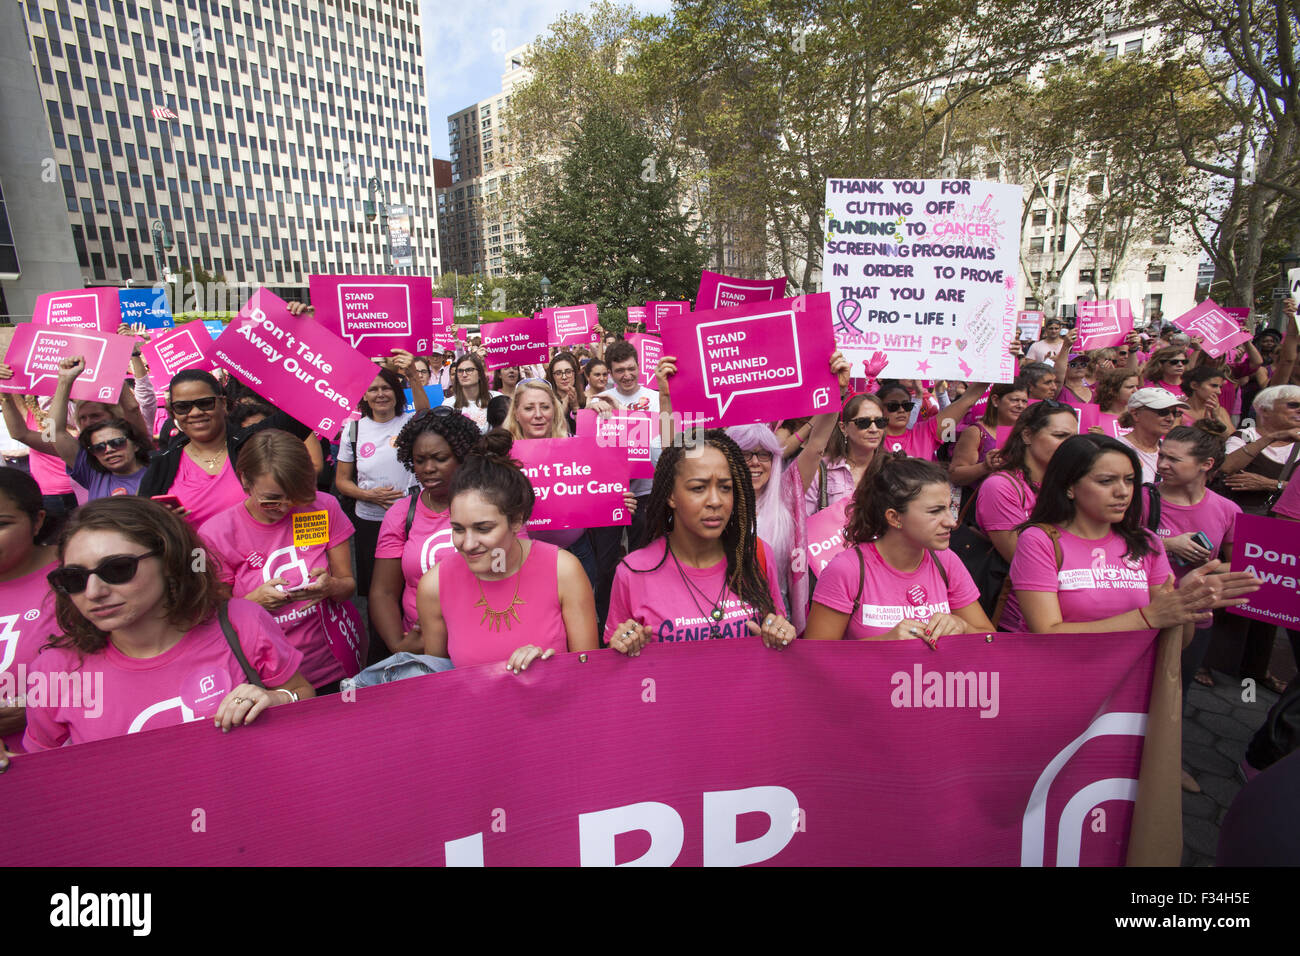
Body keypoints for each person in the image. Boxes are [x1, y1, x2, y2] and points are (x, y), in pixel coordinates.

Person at [17, 498, 314, 754]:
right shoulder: (54, 669)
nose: (94, 592)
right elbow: (40, 771)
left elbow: (302, 693)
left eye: (117, 569)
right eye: (74, 578)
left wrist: (277, 699)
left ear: (170, 561)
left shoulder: (241, 622)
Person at [1008, 435, 1257, 634]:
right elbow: (1046, 631)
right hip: (1059, 684)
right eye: (1106, 481)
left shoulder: (1147, 542)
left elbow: (1176, 644)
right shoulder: (1039, 540)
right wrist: (1146, 618)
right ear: (1069, 487)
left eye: (1129, 480)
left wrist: (1187, 600)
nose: (1123, 492)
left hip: (1133, 685)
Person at [417, 431, 599, 673]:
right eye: (458, 529)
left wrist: (552, 671)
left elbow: (590, 673)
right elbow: (439, 684)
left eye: (483, 528)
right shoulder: (434, 587)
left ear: (516, 521)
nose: (468, 543)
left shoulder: (563, 571)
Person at [603, 430, 797, 653]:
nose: (715, 501)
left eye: (725, 487)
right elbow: (616, 666)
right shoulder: (633, 572)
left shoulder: (756, 554)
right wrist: (623, 646)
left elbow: (778, 631)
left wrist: (781, 634)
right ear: (671, 496)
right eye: (698, 488)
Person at [200, 430, 357, 695]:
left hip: (333, 661)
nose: (284, 507)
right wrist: (251, 604)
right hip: (268, 678)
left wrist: (330, 587)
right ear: (245, 482)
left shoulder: (323, 507)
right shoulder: (217, 534)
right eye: (271, 500)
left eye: (295, 497)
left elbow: (348, 586)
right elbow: (213, 620)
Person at [722, 353, 853, 629]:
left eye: (764, 454)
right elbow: (678, 453)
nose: (755, 463)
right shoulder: (713, 504)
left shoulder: (785, 493)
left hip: (779, 620)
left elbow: (816, 445)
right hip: (723, 620)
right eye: (746, 454)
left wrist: (836, 394)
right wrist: (666, 398)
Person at [806, 455, 992, 642]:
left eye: (949, 508)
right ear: (894, 518)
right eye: (935, 511)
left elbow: (990, 641)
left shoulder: (946, 560)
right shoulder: (847, 569)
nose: (951, 522)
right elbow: (815, 658)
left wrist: (963, 627)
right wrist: (884, 643)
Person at [370, 408, 482, 655]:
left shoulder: (491, 506)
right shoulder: (401, 514)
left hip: (483, 640)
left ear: (462, 457)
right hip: (422, 648)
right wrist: (398, 645)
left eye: (439, 458)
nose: (428, 468)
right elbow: (383, 592)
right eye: (420, 460)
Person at [137, 369, 313, 524]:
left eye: (205, 403)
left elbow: (310, 407)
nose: (195, 413)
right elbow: (141, 527)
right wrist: (163, 524)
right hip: (196, 561)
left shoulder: (253, 442)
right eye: (183, 407)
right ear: (173, 412)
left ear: (222, 403)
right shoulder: (161, 464)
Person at [334, 363, 430, 608]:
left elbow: (426, 413)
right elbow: (342, 482)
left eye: (386, 388)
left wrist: (411, 374)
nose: (380, 394)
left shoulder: (409, 422)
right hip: (370, 522)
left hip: (410, 520)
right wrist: (367, 495)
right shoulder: (353, 430)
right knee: (378, 590)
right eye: (373, 389)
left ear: (397, 392)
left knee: (412, 583)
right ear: (364, 395)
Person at [0, 469, 60, 757]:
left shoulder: (80, 573)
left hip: (65, 753)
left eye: (1, 524)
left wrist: (43, 705)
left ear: (37, 521)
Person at [876, 380, 988, 461]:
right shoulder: (870, 438)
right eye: (893, 406)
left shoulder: (926, 431)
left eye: (907, 405)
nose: (901, 410)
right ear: (879, 408)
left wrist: (994, 370)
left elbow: (967, 401)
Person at [948, 382, 1029, 488]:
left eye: (1024, 401)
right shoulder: (976, 432)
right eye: (1014, 400)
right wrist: (984, 467)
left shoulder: (1026, 433)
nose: (1020, 406)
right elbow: (955, 475)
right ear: (995, 400)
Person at [1118, 387, 1186, 484]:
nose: (1170, 418)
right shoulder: (1117, 450)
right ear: (1136, 414)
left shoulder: (1171, 450)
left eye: (1174, 413)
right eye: (1162, 412)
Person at [441, 352, 500, 433]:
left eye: (469, 370)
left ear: (479, 374)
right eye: (460, 371)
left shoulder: (496, 398)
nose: (464, 375)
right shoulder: (449, 404)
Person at [504, 380, 571, 439]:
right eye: (529, 408)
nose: (538, 415)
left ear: (555, 410)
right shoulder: (503, 451)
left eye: (545, 407)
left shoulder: (574, 445)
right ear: (516, 414)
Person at [1179, 365, 1234, 430]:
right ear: (1194, 385)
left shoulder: (1220, 411)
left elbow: (1232, 438)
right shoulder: (1178, 411)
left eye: (1220, 387)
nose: (1219, 392)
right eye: (1214, 386)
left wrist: (1217, 418)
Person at [546, 351, 586, 434]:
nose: (564, 377)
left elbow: (584, 431)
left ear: (574, 374)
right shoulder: (546, 401)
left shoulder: (585, 399)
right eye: (558, 373)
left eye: (568, 372)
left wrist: (575, 407)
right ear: (552, 377)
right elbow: (552, 429)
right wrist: (566, 401)